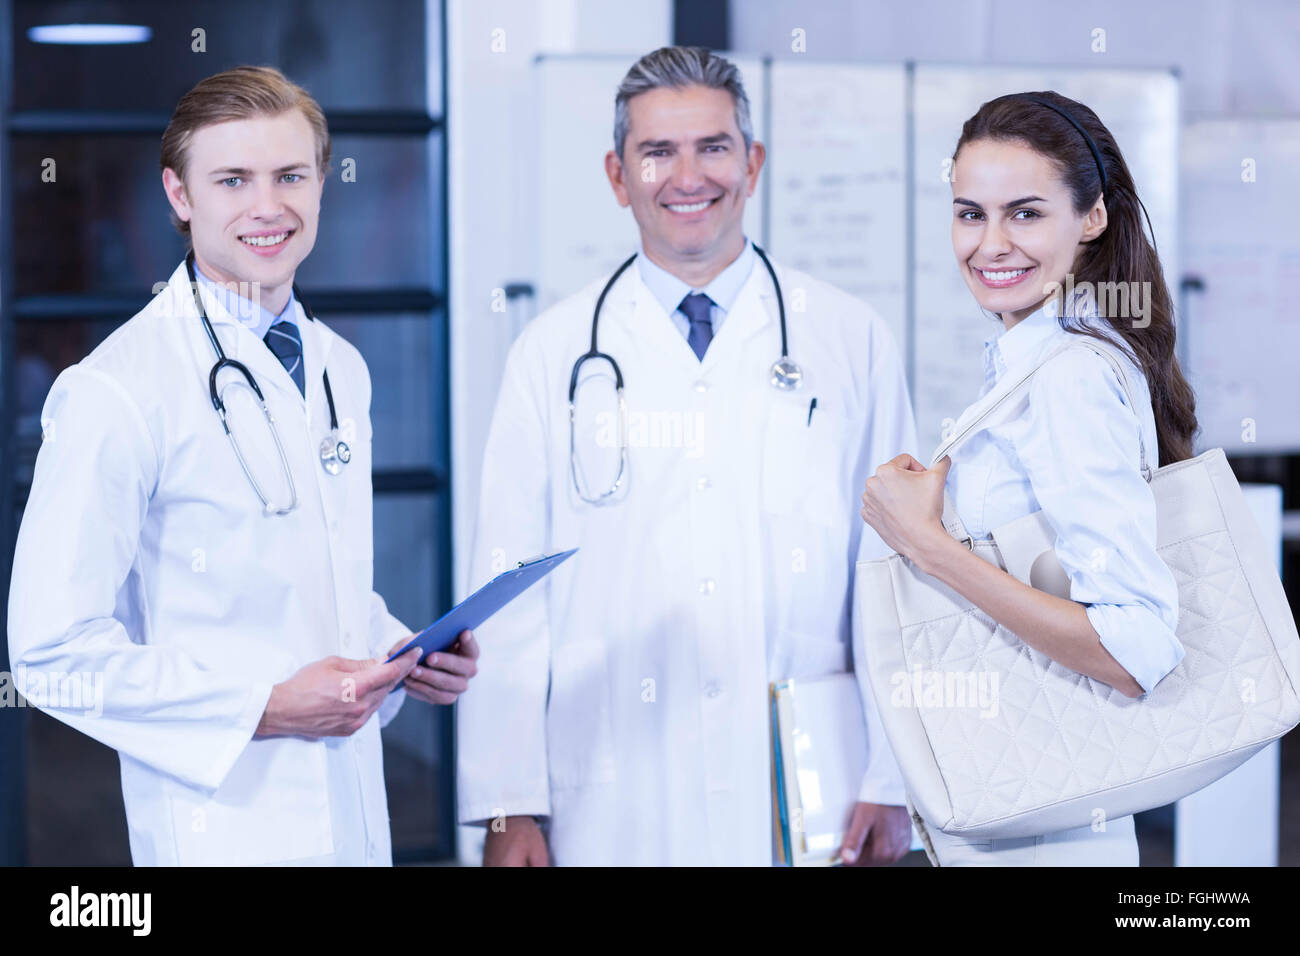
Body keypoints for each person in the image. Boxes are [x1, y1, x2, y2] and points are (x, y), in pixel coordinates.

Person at [6, 66, 478, 866]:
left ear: (322, 183)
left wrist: (402, 652)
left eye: (291, 175)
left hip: (355, 816)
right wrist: (263, 708)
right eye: (233, 180)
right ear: (180, 196)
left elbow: (315, 580)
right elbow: (51, 654)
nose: (269, 206)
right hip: (221, 827)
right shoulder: (116, 390)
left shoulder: (338, 367)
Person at [456, 46, 917, 866]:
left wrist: (892, 771)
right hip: (610, 787)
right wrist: (506, 803)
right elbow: (509, 597)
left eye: (712, 146)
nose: (687, 176)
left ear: (754, 162)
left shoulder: (850, 339)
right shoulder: (552, 353)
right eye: (657, 152)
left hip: (809, 781)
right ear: (616, 173)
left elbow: (892, 570)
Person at [860, 90, 1198, 866]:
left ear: (1092, 218)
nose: (991, 243)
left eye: (1026, 213)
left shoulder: (1067, 377)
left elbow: (1135, 646)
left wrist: (929, 546)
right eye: (970, 213)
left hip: (1047, 828)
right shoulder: (1041, 361)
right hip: (1029, 803)